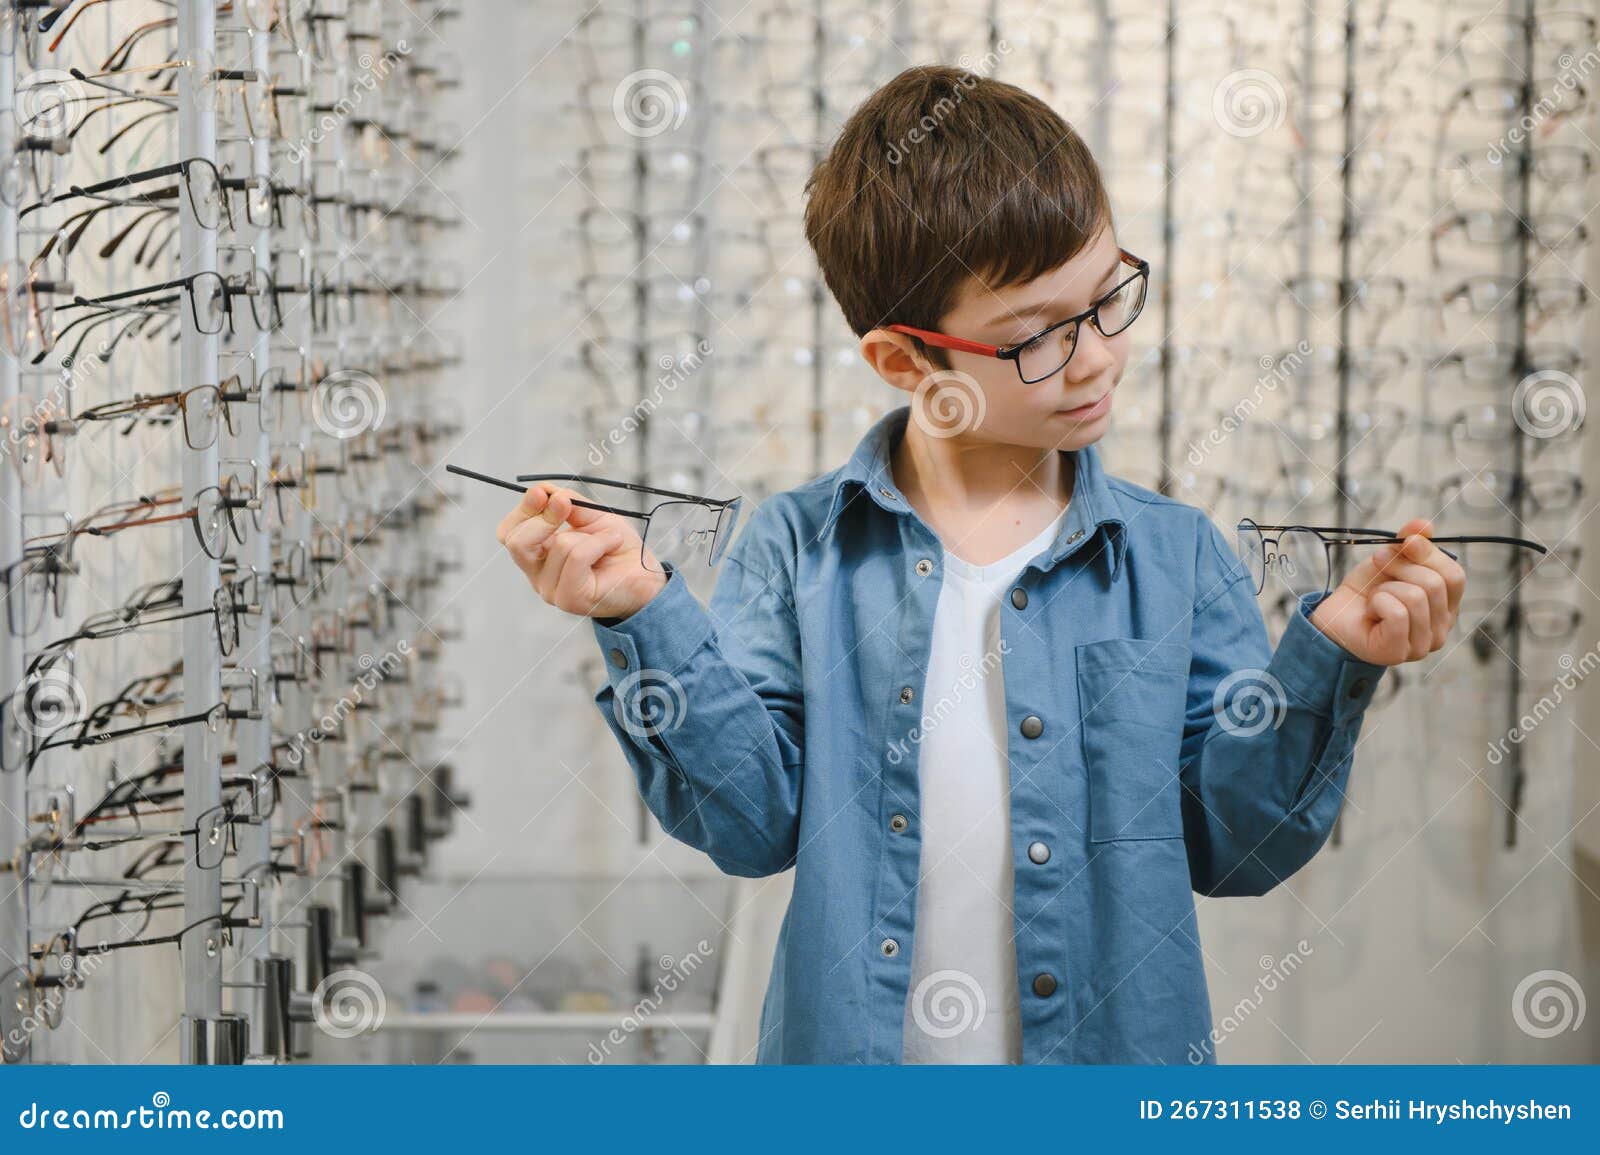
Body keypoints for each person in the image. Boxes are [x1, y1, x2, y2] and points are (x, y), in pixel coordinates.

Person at [492, 65, 1465, 1064]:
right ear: (906, 364)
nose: (1094, 358)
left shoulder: (1175, 556)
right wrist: (640, 614)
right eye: (1039, 336)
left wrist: (1333, 660)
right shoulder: (793, 547)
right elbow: (752, 826)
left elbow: (1238, 848)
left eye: (1105, 300)